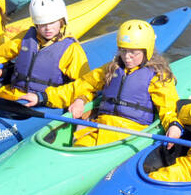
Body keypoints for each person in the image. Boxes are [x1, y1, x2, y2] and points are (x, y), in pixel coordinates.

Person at [44, 19, 181, 147]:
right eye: (123, 50)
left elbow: (168, 106)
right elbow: (83, 85)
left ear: (147, 50)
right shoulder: (112, 68)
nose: (127, 57)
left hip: (131, 134)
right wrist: (44, 97)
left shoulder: (157, 76)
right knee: (79, 146)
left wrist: (174, 125)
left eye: (133, 52)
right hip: (100, 127)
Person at [0, 0, 89, 106]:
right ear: (36, 24)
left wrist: (80, 101)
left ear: (61, 21)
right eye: (42, 24)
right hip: (13, 93)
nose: (48, 28)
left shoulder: (71, 49)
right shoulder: (25, 37)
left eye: (52, 22)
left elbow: (83, 84)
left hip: (43, 101)